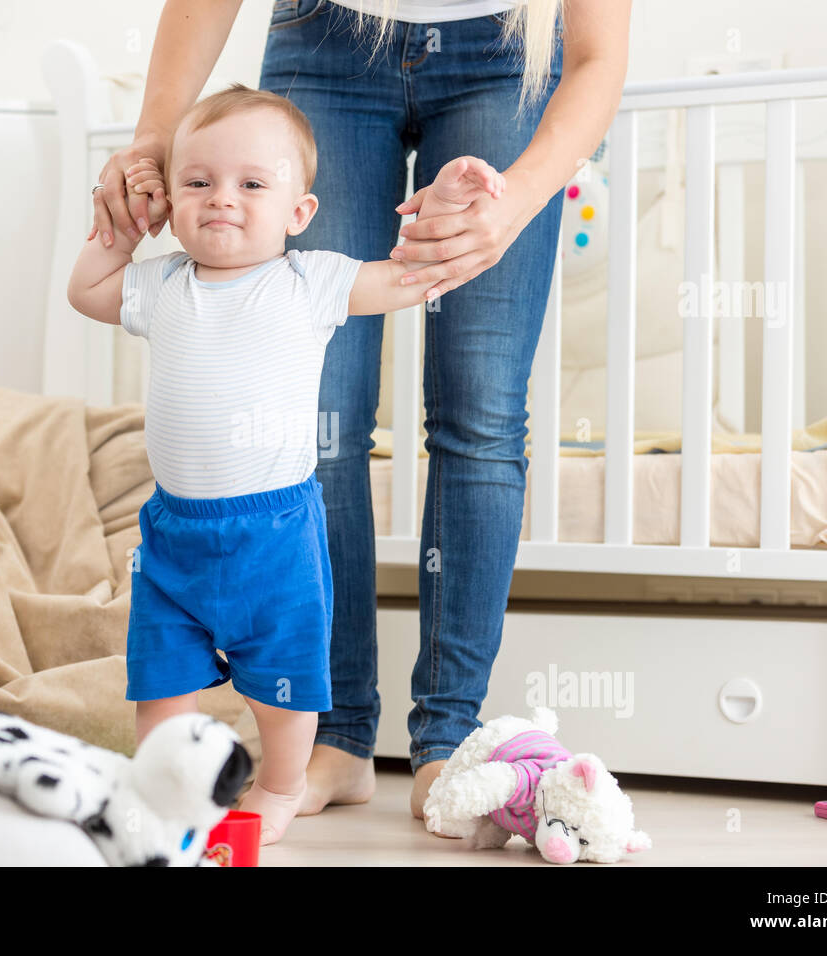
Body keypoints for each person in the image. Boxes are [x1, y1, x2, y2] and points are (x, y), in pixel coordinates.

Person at [88, 0, 631, 824]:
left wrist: (511, 203)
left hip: (505, 58)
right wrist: (154, 143)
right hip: (326, 37)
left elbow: (598, 54)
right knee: (326, 419)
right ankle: (335, 738)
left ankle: (447, 739)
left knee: (481, 415)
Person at [68, 83, 503, 843]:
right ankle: (165, 784)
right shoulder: (163, 283)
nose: (221, 200)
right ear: (171, 199)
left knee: (286, 678)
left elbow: (408, 279)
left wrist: (450, 212)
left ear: (297, 213)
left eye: (251, 185)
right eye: (197, 183)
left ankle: (282, 780)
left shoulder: (311, 281)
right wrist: (125, 228)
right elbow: (87, 291)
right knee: (163, 677)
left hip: (274, 528)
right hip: (174, 533)